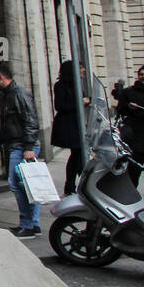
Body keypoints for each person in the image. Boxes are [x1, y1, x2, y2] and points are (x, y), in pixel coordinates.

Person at [0, 62, 40, 238]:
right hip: (18, 144)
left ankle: (28, 224)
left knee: (18, 184)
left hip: (22, 145)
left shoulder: (18, 94)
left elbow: (31, 121)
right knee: (27, 185)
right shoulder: (8, 95)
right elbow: (7, 124)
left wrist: (29, 147)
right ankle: (32, 223)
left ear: (0, 77)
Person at [51, 60, 89, 196]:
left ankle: (75, 185)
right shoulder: (61, 85)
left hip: (76, 124)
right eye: (80, 68)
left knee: (77, 155)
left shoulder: (77, 85)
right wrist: (80, 102)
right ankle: (78, 185)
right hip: (68, 126)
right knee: (77, 154)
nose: (83, 70)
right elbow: (60, 106)